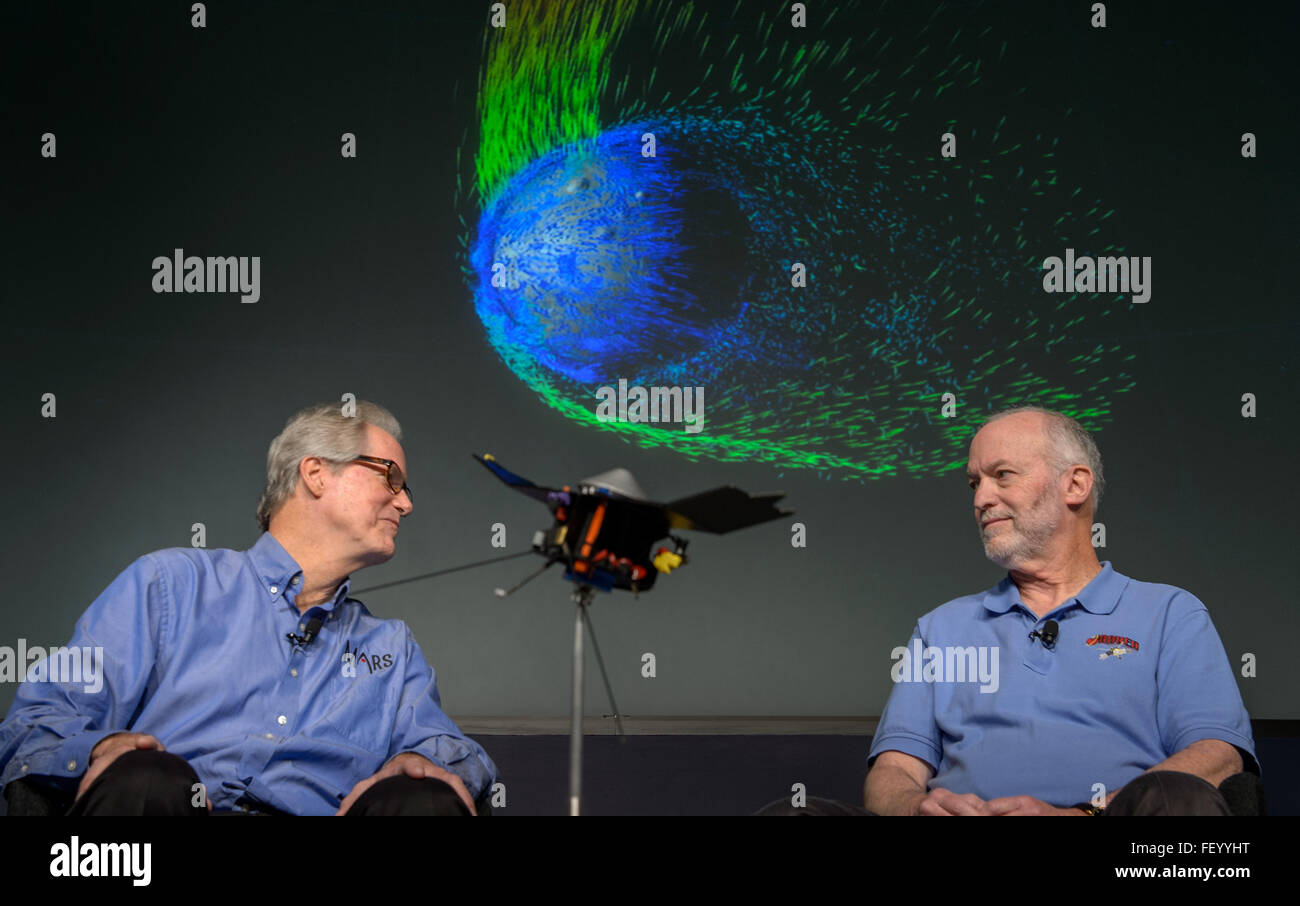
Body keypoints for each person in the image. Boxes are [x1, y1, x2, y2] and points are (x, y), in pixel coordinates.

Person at [0, 400, 498, 816]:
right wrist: (101, 751)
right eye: (390, 476)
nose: (405, 503)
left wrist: (414, 762)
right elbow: (37, 723)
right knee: (146, 778)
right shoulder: (169, 585)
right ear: (316, 473)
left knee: (424, 794)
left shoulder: (391, 648)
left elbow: (450, 752)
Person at [861, 406, 1259, 816]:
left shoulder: (1172, 614)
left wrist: (1084, 814)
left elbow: (1217, 755)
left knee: (1183, 799)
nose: (981, 498)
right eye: (974, 483)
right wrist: (915, 808)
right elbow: (893, 771)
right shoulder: (939, 629)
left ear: (1074, 485)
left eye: (1002, 475)